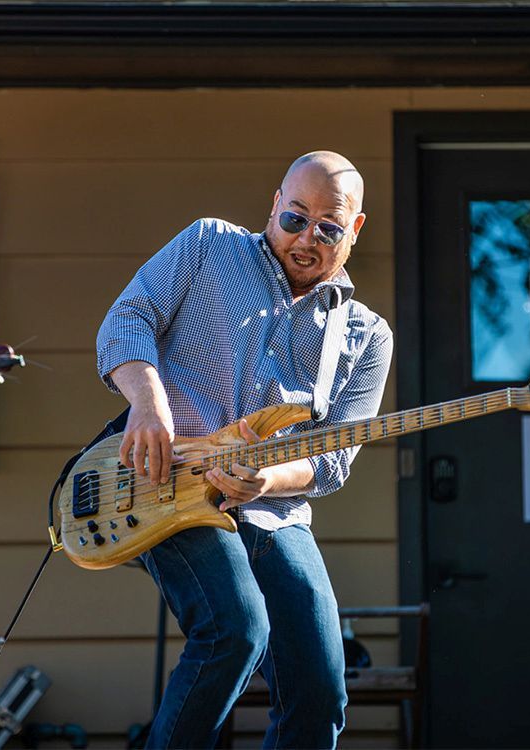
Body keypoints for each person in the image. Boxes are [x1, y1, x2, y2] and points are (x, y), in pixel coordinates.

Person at [96, 151, 393, 748]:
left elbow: (332, 462)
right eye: (295, 218)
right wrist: (148, 405)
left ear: (355, 230)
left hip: (273, 511)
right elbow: (127, 319)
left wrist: (267, 481)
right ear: (274, 204)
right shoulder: (208, 245)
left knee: (319, 689)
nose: (306, 239)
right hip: (166, 484)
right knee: (236, 630)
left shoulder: (367, 335)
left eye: (328, 229)